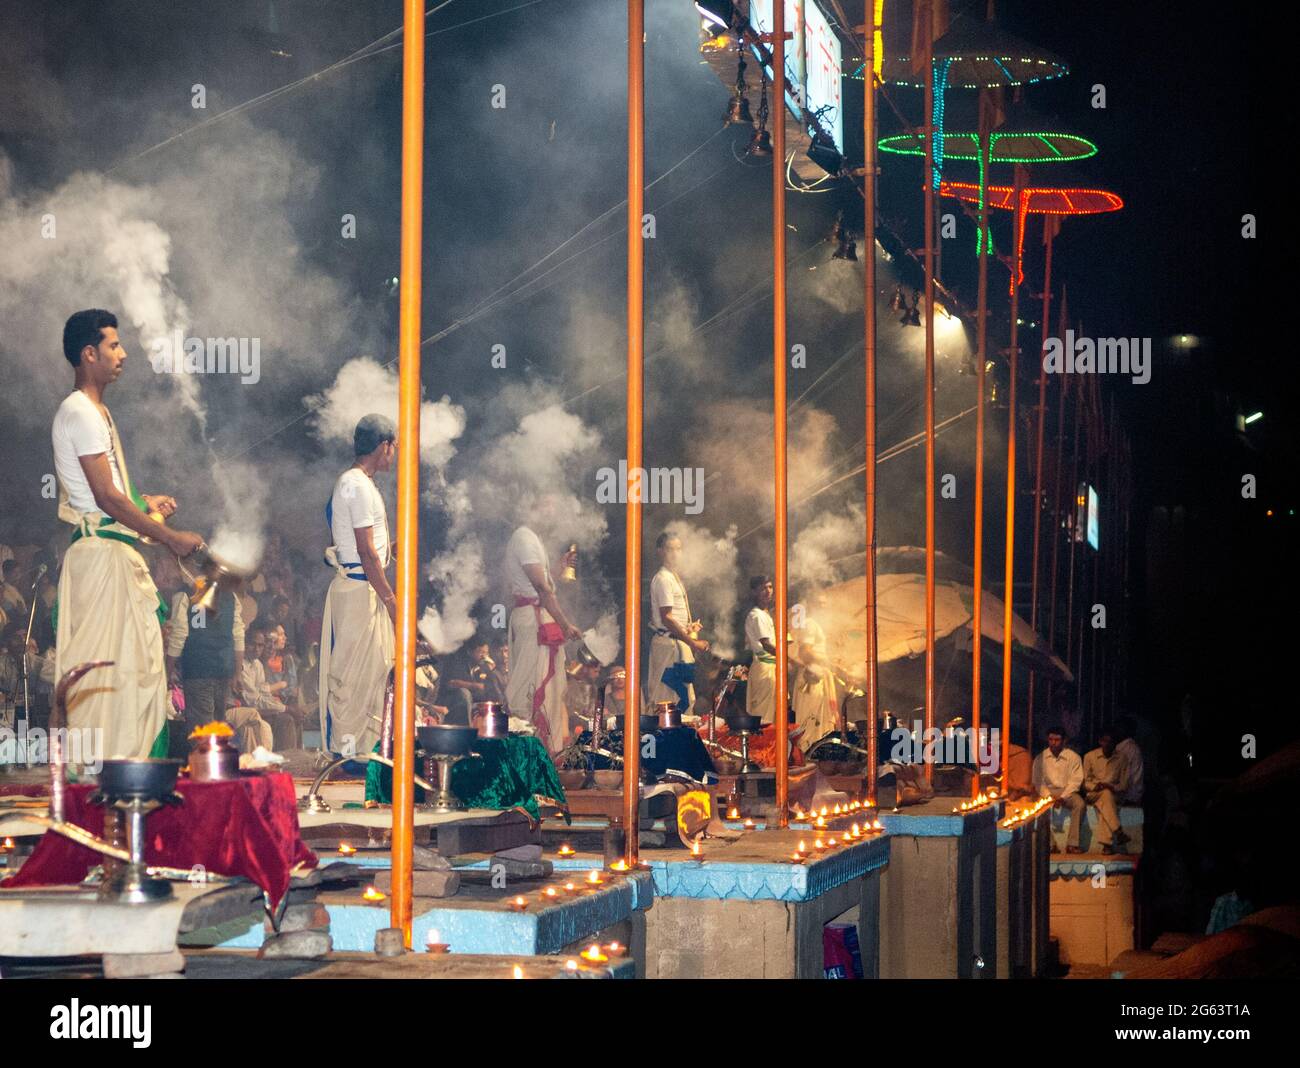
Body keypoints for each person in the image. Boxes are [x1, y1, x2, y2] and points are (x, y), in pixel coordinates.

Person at [52, 309, 204, 760]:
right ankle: (100, 785)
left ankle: (128, 779)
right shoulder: (78, 411)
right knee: (104, 678)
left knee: (131, 674)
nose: (123, 353)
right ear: (89, 353)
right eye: (114, 345)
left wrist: (147, 504)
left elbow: (119, 496)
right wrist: (172, 537)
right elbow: (105, 498)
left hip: (111, 557)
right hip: (100, 561)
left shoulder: (99, 412)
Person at [318, 414, 397, 757]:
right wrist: (392, 599)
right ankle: (347, 756)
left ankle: (366, 752)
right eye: (393, 448)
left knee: (374, 673)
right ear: (384, 446)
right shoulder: (356, 484)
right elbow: (366, 551)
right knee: (352, 679)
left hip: (365, 590)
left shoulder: (361, 483)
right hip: (359, 590)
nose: (393, 455)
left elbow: (374, 547)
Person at [503, 510, 582, 753]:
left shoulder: (533, 540)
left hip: (537, 620)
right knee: (531, 689)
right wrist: (565, 624)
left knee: (551, 692)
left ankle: (546, 753)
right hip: (533, 621)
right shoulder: (525, 537)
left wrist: (558, 569)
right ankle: (530, 753)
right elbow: (540, 588)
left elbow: (542, 583)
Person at [165, 583, 246, 747]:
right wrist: (237, 672)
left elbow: (179, 635)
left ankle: (206, 771)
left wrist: (167, 670)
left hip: (198, 670)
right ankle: (215, 769)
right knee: (216, 730)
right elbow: (238, 634)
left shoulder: (185, 594)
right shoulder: (230, 595)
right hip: (223, 670)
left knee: (202, 735)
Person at [646, 532, 709, 713]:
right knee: (666, 697)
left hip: (679, 643)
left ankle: (682, 736)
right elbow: (667, 617)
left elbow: (673, 618)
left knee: (685, 698)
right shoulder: (663, 578)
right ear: (660, 551)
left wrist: (689, 629)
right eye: (669, 549)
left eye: (678, 549)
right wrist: (693, 642)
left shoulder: (674, 577)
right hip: (668, 645)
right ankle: (664, 739)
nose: (675, 554)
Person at [790, 588, 838, 742]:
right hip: (811, 679)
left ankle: (818, 758)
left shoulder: (815, 624)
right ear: (810, 604)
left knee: (821, 724)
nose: (823, 607)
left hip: (818, 676)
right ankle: (810, 759)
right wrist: (827, 661)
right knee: (811, 725)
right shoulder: (810, 624)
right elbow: (805, 652)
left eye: (824, 604)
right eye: (819, 603)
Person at [1032, 726, 1085, 853]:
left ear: (1064, 741)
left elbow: (1076, 780)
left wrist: (1062, 797)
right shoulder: (1040, 758)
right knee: (1037, 809)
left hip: (1067, 791)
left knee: (1080, 804)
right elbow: (1038, 782)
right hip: (1046, 791)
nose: (1053, 743)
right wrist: (1049, 796)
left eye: (1057, 740)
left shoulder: (1073, 757)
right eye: (1050, 739)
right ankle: (1050, 844)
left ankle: (1072, 844)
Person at [1083, 729, 1128, 854]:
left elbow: (1124, 784)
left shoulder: (1122, 758)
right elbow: (1085, 781)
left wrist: (1111, 787)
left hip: (1113, 794)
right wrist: (1095, 786)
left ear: (1115, 743)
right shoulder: (1090, 756)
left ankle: (1107, 845)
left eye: (1110, 741)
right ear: (1100, 742)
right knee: (1106, 798)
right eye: (1105, 741)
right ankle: (1117, 831)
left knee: (1106, 799)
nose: (1107, 744)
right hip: (1094, 793)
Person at [743, 575, 778, 724]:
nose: (768, 591)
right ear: (754, 592)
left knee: (774, 716)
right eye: (763, 588)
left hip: (771, 668)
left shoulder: (766, 615)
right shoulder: (756, 616)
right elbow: (767, 645)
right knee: (764, 718)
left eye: (770, 587)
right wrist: (789, 658)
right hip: (765, 669)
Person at [1114, 715, 1144, 805]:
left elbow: (1123, 775)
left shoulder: (1128, 748)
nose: (1116, 730)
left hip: (1128, 797)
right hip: (1130, 795)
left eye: (1119, 727)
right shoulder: (1128, 747)